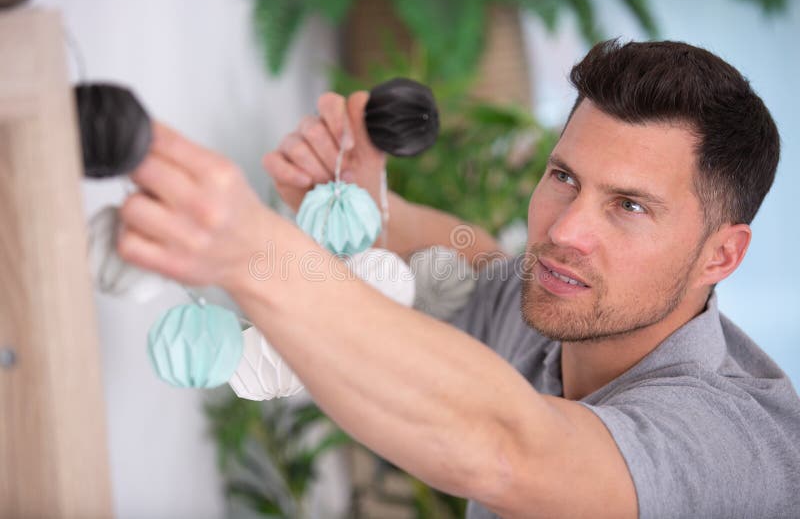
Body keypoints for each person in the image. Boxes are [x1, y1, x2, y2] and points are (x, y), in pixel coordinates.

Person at [118, 40, 800, 518]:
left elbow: (510, 454)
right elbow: (473, 263)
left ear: (721, 256)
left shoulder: (741, 442)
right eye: (563, 178)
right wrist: (365, 203)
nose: (565, 232)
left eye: (628, 207)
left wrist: (246, 249)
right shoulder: (554, 299)